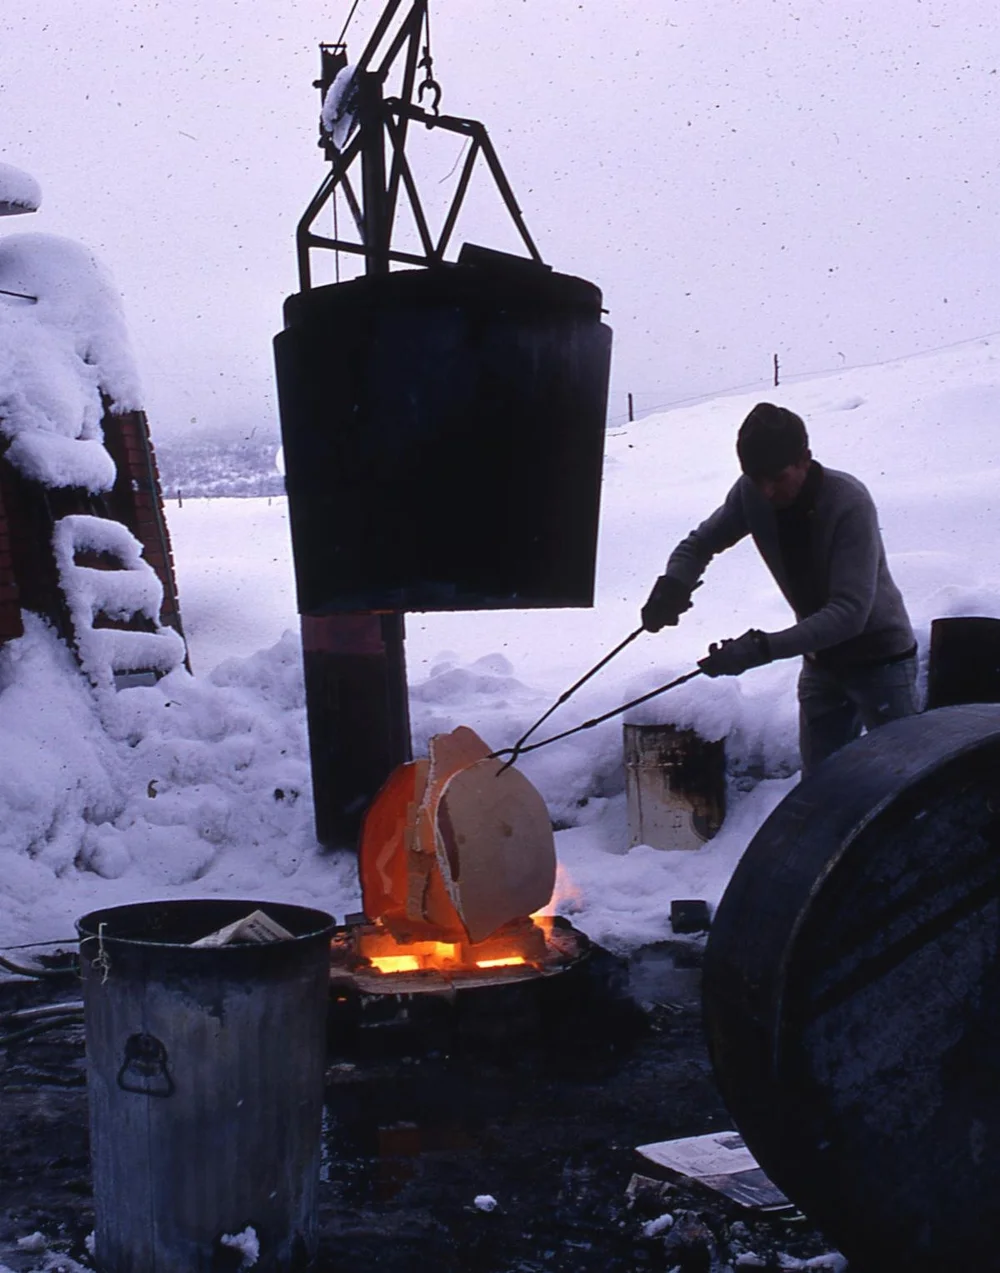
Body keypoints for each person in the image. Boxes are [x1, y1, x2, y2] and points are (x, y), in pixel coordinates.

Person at [641, 402, 919, 775]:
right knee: (822, 783)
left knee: (903, 779)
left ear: (805, 458)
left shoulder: (847, 502)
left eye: (777, 476)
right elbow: (699, 544)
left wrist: (761, 648)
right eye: (756, 478)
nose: (767, 490)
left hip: (881, 659)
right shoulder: (751, 494)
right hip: (822, 664)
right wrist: (673, 586)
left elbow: (849, 613)